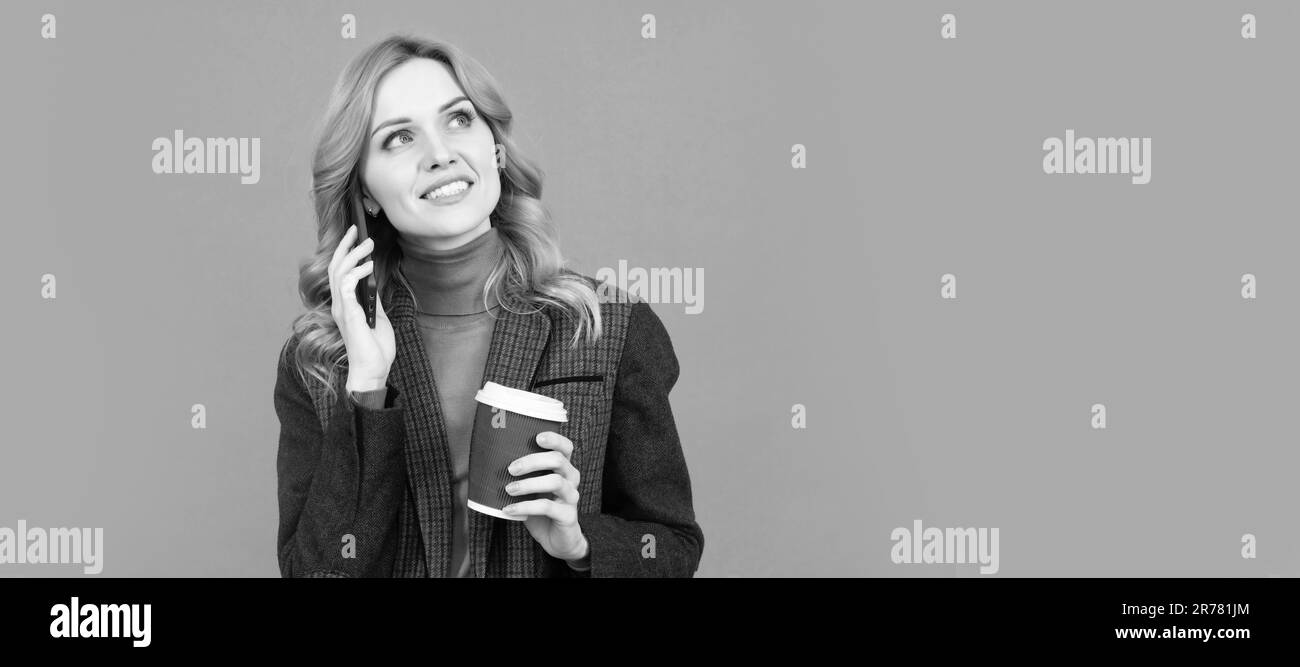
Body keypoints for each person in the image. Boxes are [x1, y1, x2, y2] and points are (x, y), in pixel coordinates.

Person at [273, 34, 703, 577]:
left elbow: (672, 548)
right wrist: (367, 384)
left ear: (494, 148)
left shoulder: (607, 326)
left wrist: (579, 543)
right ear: (366, 194)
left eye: (458, 119)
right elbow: (317, 572)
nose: (440, 154)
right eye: (399, 138)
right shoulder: (318, 360)